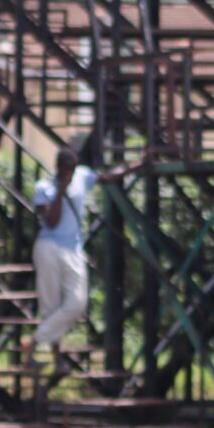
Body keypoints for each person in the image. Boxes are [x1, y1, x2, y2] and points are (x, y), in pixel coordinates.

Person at [29, 146, 141, 359]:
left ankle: (35, 340)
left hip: (73, 248)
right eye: (65, 170)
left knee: (77, 303)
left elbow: (108, 177)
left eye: (72, 169)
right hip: (48, 247)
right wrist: (60, 193)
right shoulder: (43, 188)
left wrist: (137, 164)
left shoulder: (82, 176)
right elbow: (51, 223)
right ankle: (56, 357)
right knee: (50, 305)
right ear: (58, 168)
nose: (69, 174)